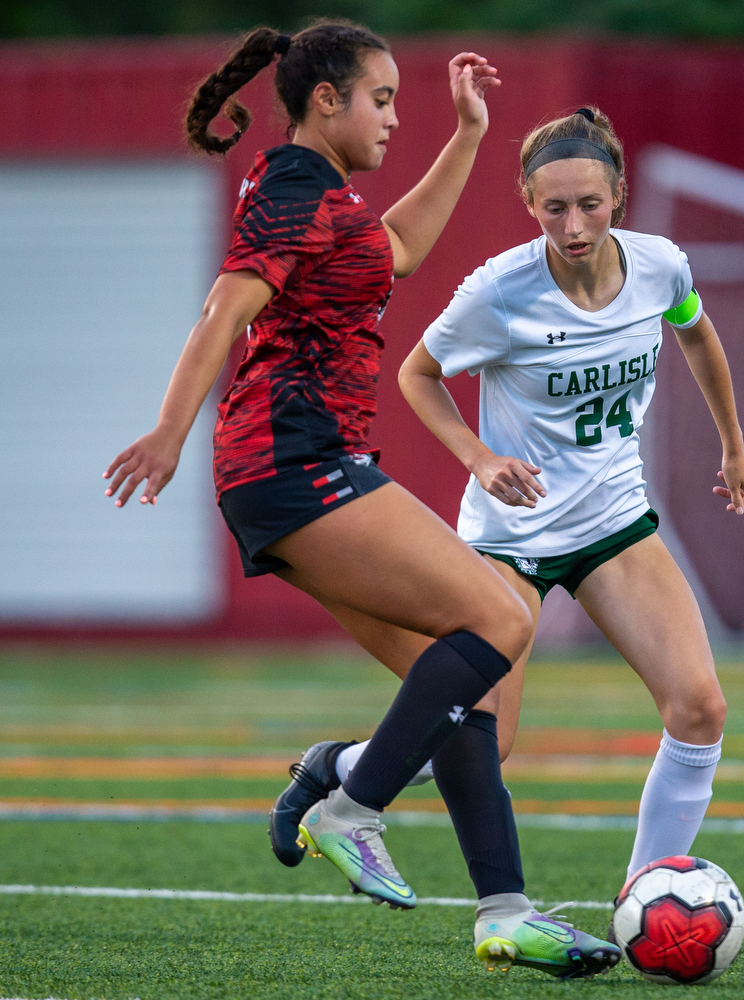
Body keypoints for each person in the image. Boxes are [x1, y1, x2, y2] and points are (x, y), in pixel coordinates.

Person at [103, 23, 619, 978]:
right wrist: (169, 432)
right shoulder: (298, 190)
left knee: (480, 714)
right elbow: (226, 306)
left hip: (293, 471)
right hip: (296, 462)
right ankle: (354, 802)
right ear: (326, 100)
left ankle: (495, 905)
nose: (393, 117)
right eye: (381, 99)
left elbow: (400, 249)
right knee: (502, 616)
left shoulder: (318, 195)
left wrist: (467, 134)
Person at [335, 106, 744, 886]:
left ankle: (648, 894)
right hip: (509, 543)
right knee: (485, 746)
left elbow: (695, 332)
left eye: (590, 205)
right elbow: (416, 374)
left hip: (613, 526)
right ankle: (343, 768)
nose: (573, 224)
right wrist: (480, 456)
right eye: (554, 207)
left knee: (700, 709)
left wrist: (733, 443)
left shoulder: (662, 265)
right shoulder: (500, 291)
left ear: (619, 197)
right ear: (530, 205)